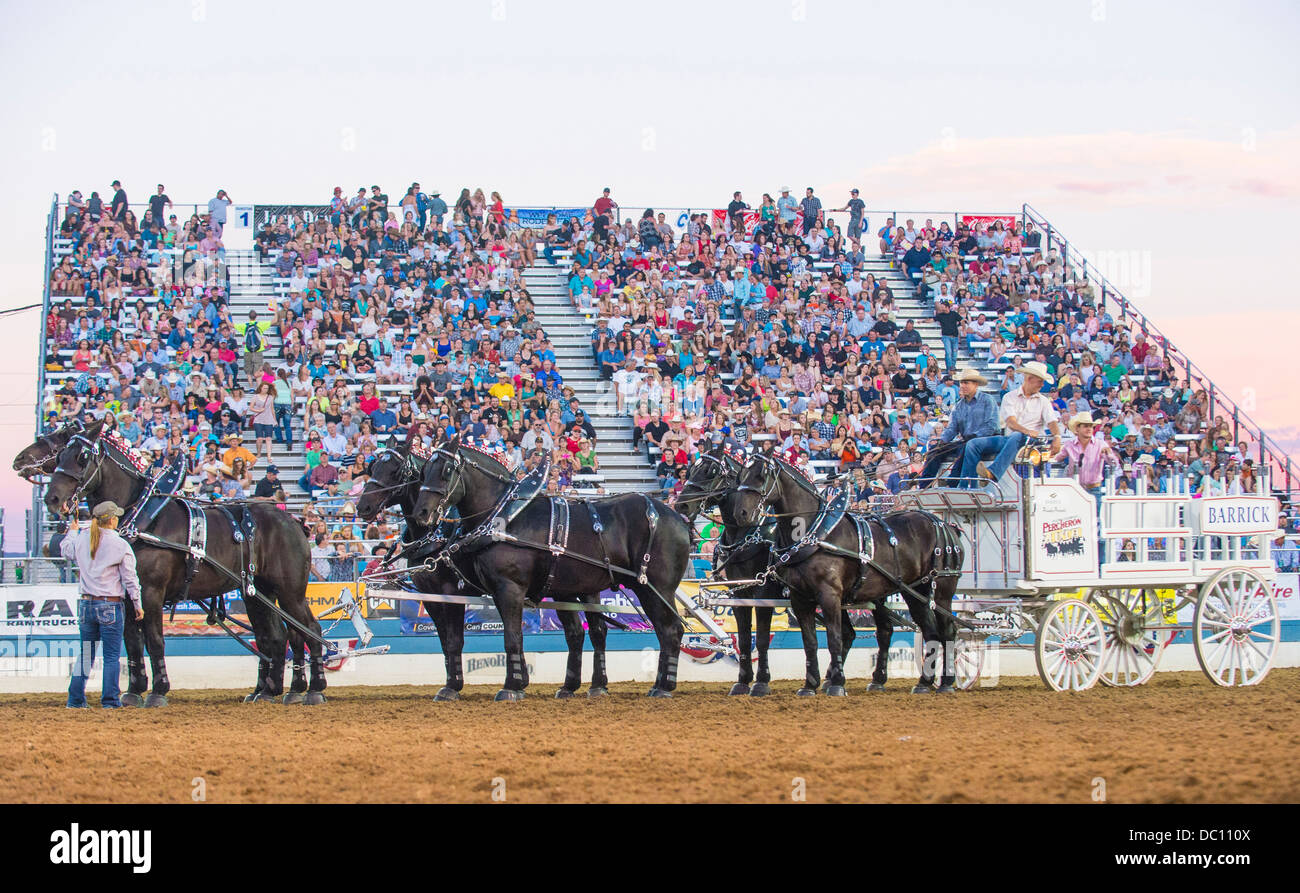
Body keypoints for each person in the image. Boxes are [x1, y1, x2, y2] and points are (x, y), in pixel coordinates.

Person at [59, 501, 143, 709]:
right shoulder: (120, 545)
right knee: (111, 656)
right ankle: (110, 700)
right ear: (112, 520)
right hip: (110, 605)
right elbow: (130, 579)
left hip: (86, 603)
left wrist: (71, 532)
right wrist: (137, 602)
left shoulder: (82, 538)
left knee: (86, 653)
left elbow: (66, 551)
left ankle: (75, 699)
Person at [959, 361, 1062, 488]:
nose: (1042, 385)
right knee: (973, 444)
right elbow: (1011, 422)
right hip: (1013, 438)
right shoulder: (1010, 397)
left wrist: (1057, 436)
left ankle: (993, 473)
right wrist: (1027, 431)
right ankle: (967, 486)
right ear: (1029, 379)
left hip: (1032, 442)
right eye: (1040, 381)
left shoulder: (1043, 401)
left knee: (1017, 435)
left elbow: (1052, 422)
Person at [916, 369, 998, 487]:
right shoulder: (959, 405)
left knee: (967, 447)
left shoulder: (987, 400)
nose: (963, 386)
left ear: (976, 384)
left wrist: (975, 435)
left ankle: (952, 483)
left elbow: (992, 425)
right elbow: (952, 428)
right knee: (935, 450)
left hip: (985, 441)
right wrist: (942, 441)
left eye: (967, 383)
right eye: (962, 382)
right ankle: (923, 485)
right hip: (965, 441)